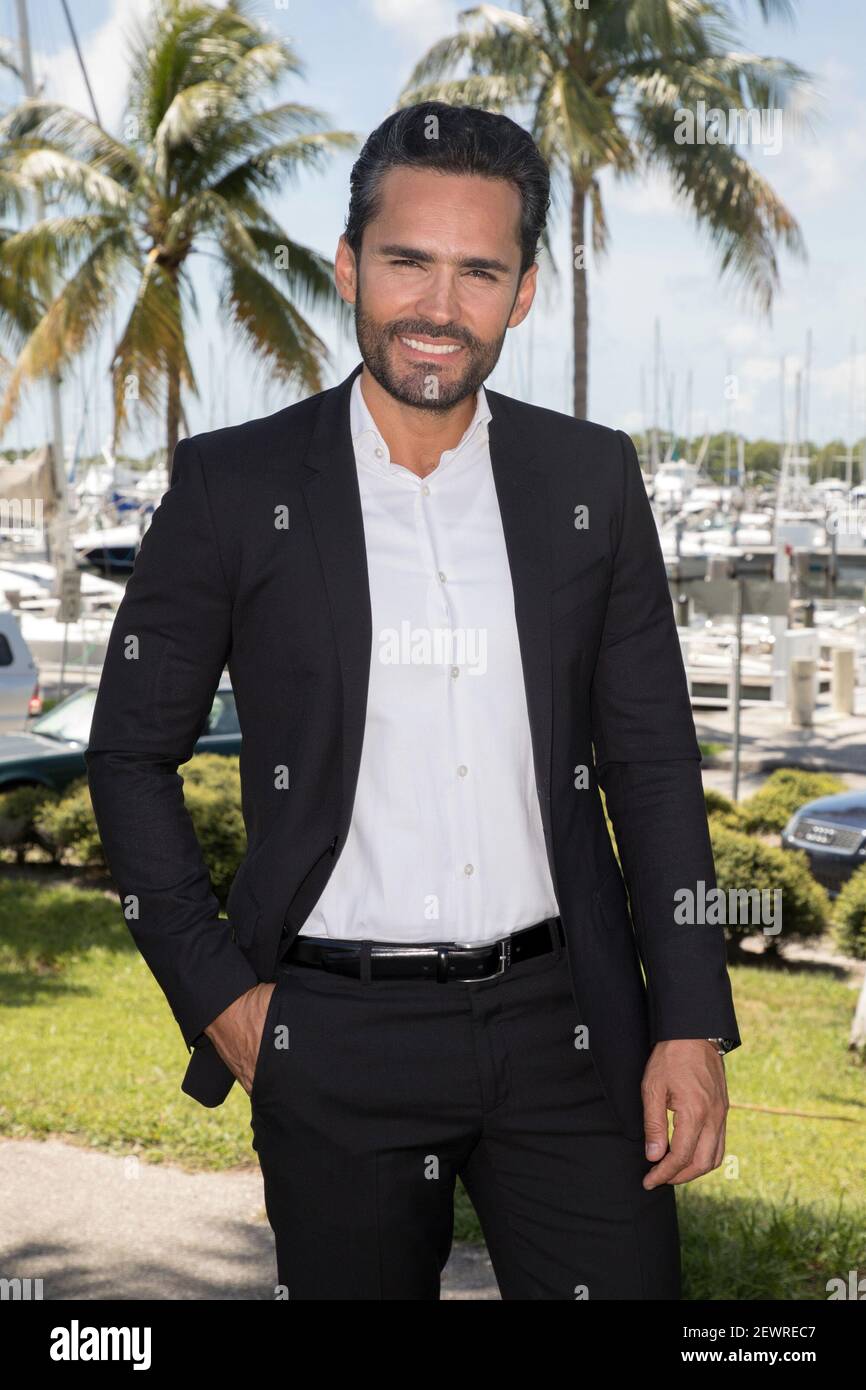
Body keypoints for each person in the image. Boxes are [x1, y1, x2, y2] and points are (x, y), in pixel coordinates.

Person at [86, 102, 740, 1301]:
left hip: (568, 1028)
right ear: (349, 265)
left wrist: (688, 1020)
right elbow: (127, 754)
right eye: (407, 262)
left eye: (477, 271)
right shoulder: (236, 484)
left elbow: (649, 758)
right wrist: (223, 999)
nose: (438, 307)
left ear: (523, 292)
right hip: (332, 1033)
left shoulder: (588, 478)